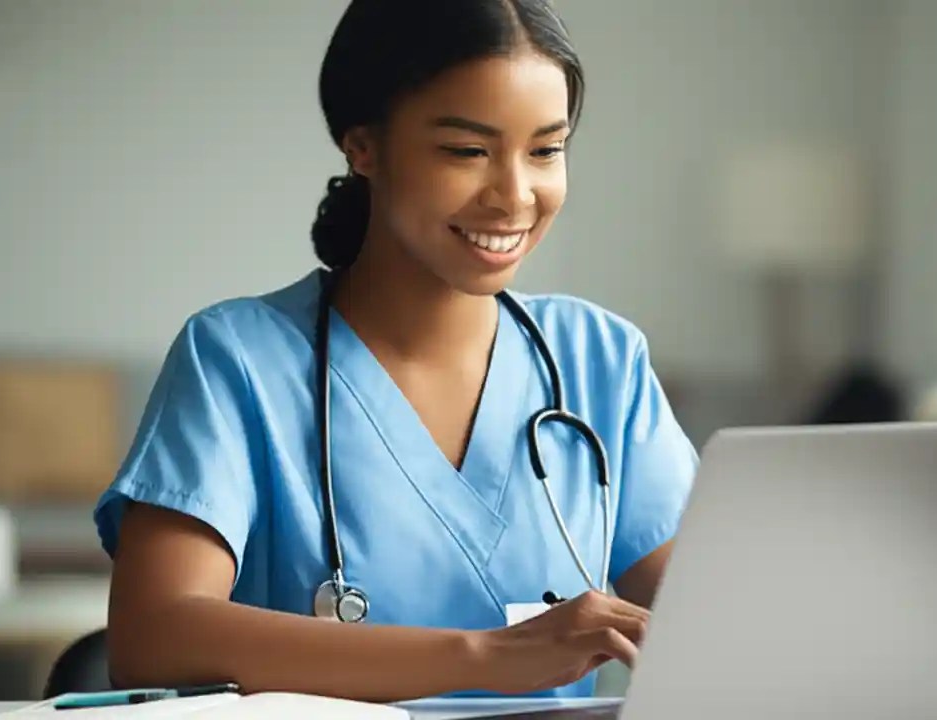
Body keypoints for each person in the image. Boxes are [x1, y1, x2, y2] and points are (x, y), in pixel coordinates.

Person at [95, 0, 699, 703]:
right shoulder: (237, 359)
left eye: (546, 150)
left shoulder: (600, 359)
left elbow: (716, 624)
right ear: (363, 146)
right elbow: (153, 636)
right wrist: (489, 658)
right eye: (468, 151)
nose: (514, 195)